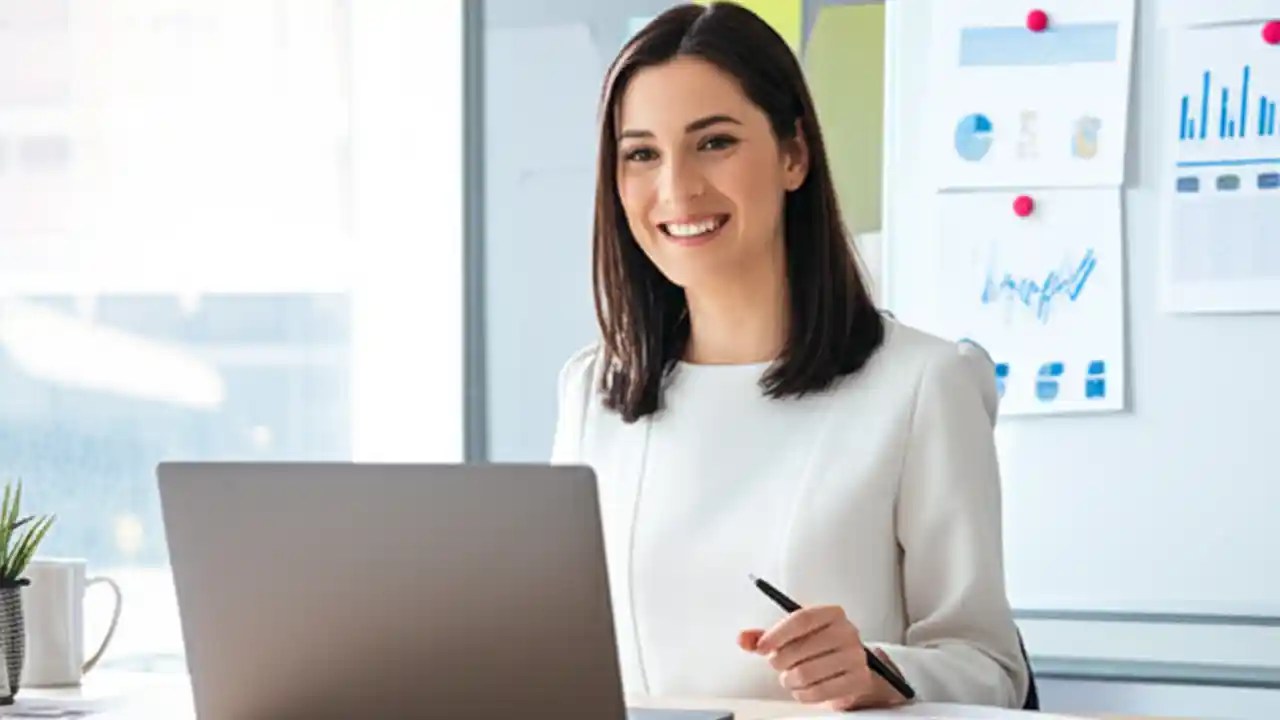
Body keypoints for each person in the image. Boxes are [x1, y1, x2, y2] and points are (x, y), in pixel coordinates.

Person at [550, 1, 1029, 711]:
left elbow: (990, 668)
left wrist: (875, 670)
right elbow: (567, 645)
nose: (676, 188)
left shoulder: (924, 384)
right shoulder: (594, 389)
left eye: (714, 142)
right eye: (642, 153)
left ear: (793, 154)